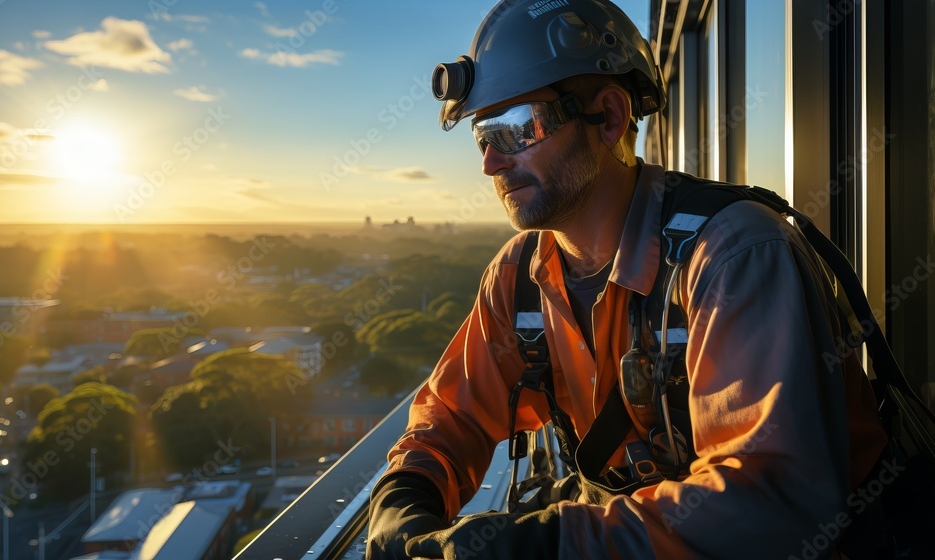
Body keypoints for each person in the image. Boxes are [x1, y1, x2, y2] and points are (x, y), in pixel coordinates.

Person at [367, 1, 889, 558]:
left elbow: (768, 500)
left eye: (517, 128)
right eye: (483, 137)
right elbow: (451, 414)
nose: (491, 164)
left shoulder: (731, 256)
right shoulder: (519, 277)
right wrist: (407, 491)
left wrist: (551, 543)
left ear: (609, 117)